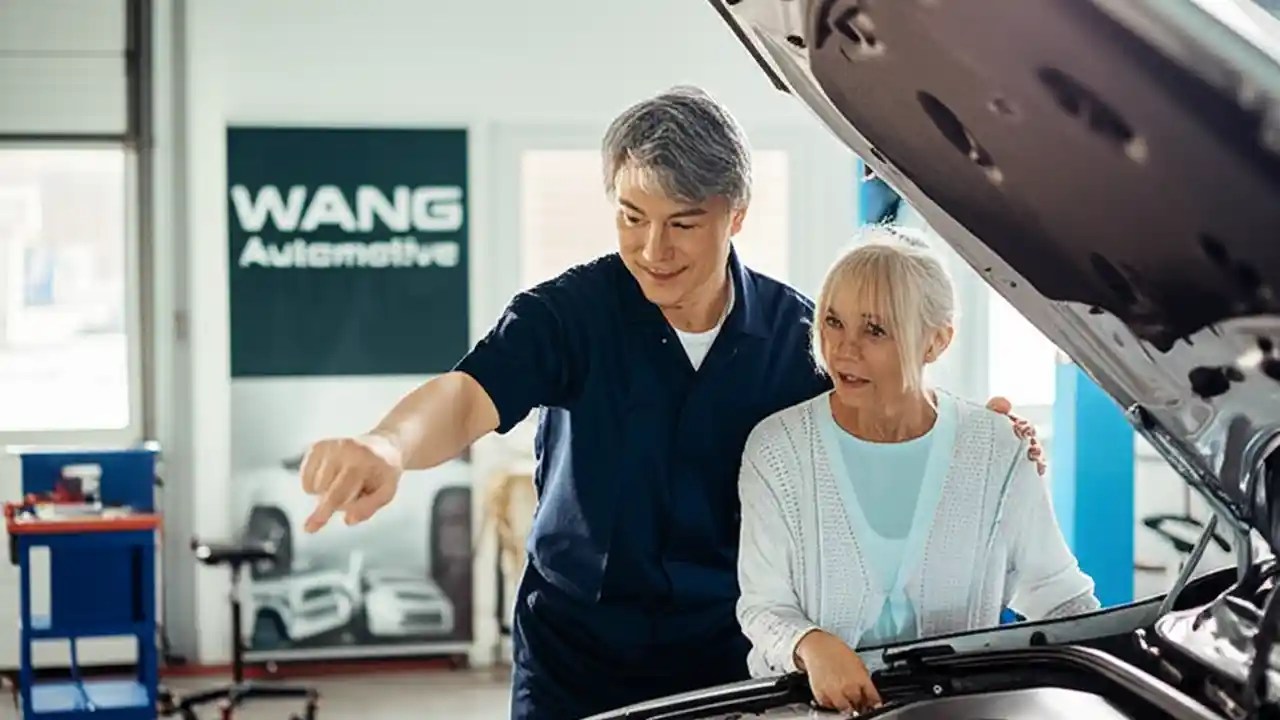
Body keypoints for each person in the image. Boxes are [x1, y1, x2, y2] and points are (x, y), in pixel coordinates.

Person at [299, 86, 1038, 720]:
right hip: (574, 657)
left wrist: (982, 435)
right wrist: (389, 445)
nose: (653, 248)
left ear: (736, 214)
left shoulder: (798, 335)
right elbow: (467, 398)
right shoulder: (569, 314)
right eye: (630, 217)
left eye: (682, 223)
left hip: (726, 658)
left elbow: (881, 412)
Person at [736, 228, 1099, 715]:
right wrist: (811, 643)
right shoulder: (777, 450)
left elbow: (1059, 598)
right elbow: (762, 606)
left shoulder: (997, 448)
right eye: (833, 321)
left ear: (937, 341)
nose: (844, 349)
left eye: (875, 330)